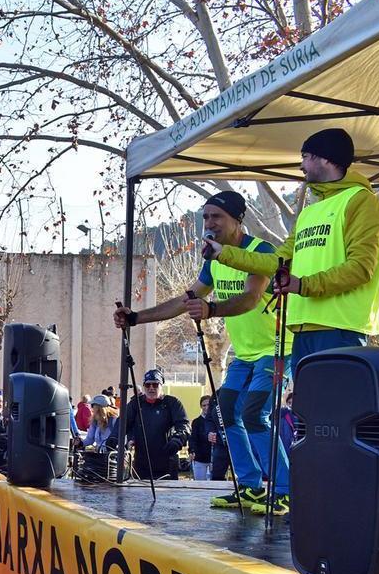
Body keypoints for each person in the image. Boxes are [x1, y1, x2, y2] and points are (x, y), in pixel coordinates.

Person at [116, 190, 292, 515]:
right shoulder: (213, 260)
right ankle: (250, 487)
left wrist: (211, 309)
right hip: (247, 354)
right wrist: (137, 317)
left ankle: (283, 491)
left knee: (254, 414)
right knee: (225, 414)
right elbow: (183, 301)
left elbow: (251, 298)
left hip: (277, 351)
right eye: (206, 217)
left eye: (217, 217)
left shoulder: (260, 252)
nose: (209, 223)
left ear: (238, 220)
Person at [203, 128, 379, 369]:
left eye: (305, 157)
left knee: (335, 407)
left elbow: (360, 268)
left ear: (326, 158)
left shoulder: (362, 200)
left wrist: (302, 285)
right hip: (302, 328)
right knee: (307, 407)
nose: (301, 166)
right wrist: (222, 254)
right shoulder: (310, 212)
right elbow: (275, 262)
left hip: (341, 328)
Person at [120, 370, 189, 481]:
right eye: (148, 385)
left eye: (155, 384)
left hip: (167, 463)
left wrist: (177, 439)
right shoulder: (135, 404)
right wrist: (114, 439)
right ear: (143, 386)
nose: (151, 388)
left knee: (169, 497)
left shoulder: (172, 403)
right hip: (141, 464)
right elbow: (122, 424)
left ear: (161, 386)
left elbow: (183, 424)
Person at [189, 396, 213, 481]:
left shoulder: (217, 420)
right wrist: (191, 450)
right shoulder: (196, 422)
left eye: (208, 405)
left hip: (214, 458)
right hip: (200, 458)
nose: (206, 407)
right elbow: (193, 438)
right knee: (199, 483)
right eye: (204, 405)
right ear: (201, 406)